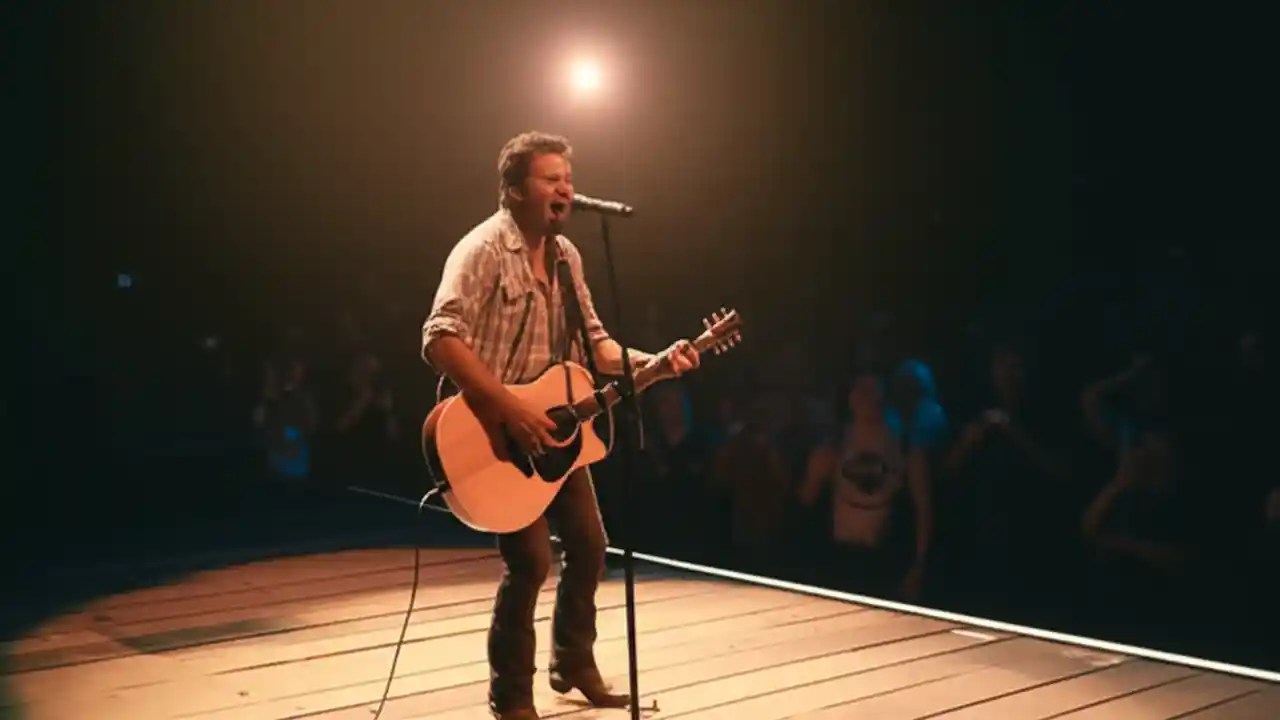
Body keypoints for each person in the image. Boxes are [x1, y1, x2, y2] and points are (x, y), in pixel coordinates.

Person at [421, 130, 700, 720]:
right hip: (492, 432)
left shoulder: (567, 256)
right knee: (530, 561)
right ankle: (510, 695)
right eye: (551, 179)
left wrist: (655, 362)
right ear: (515, 190)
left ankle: (572, 661)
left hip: (552, 427)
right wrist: (510, 408)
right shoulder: (482, 250)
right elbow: (439, 339)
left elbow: (596, 345)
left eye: (568, 180)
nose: (566, 189)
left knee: (591, 544)